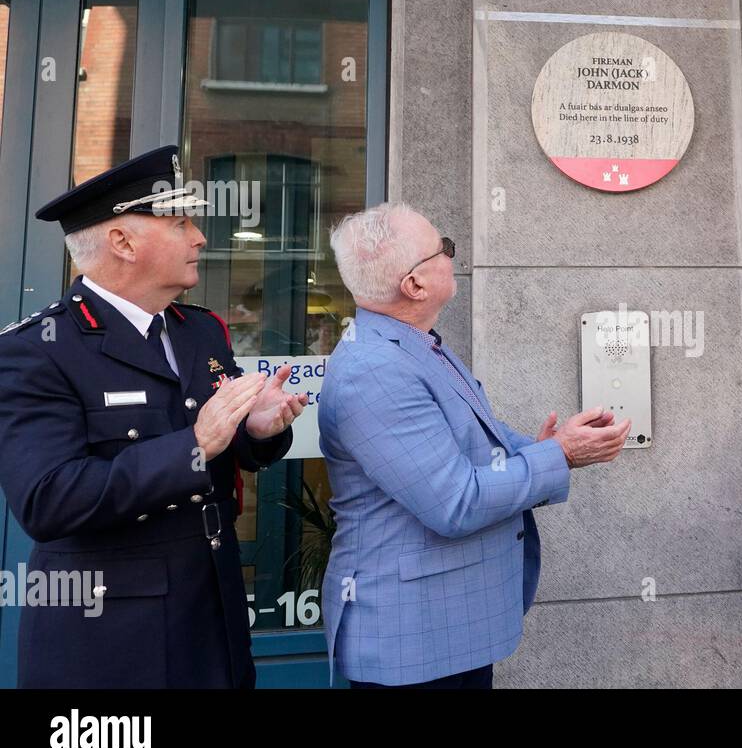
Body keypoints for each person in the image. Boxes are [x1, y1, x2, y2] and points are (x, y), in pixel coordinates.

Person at [0, 144, 308, 688]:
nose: (200, 238)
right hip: (114, 643)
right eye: (182, 222)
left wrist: (256, 432)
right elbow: (47, 500)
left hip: (213, 621)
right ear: (122, 241)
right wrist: (195, 445)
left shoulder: (200, 330)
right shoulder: (39, 349)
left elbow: (223, 447)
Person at [319, 202, 629, 689]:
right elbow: (455, 502)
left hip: (442, 632)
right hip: (411, 644)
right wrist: (558, 455)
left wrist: (544, 447)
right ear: (415, 285)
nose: (450, 255)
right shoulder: (374, 371)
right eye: (442, 249)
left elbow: (475, 439)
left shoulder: (414, 345)